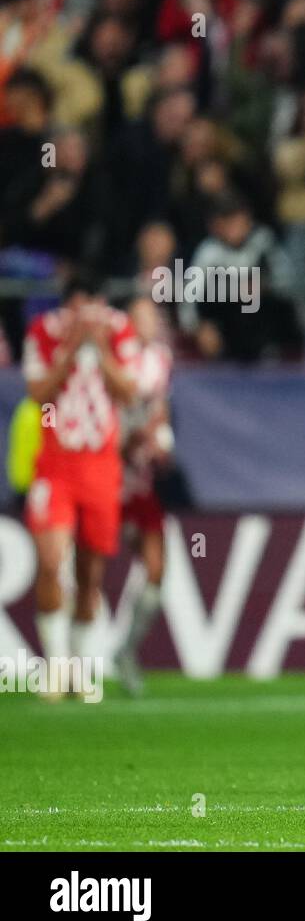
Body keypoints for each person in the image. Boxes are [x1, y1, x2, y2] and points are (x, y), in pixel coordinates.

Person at [23, 273, 140, 700]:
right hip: (55, 463)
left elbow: (129, 391)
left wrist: (101, 351)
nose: (86, 316)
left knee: (90, 575)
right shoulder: (44, 332)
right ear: (67, 305)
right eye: (78, 307)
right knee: (51, 560)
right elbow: (38, 395)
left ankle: (76, 667)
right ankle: (54, 667)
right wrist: (71, 354)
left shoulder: (120, 330)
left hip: (101, 467)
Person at [114, 296, 175, 697]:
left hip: (139, 480)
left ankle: (127, 651)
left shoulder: (161, 359)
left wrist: (160, 438)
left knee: (155, 568)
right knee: (88, 569)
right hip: (104, 474)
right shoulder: (112, 358)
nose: (151, 322)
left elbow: (159, 408)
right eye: (143, 316)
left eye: (154, 315)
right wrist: (127, 438)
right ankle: (65, 661)